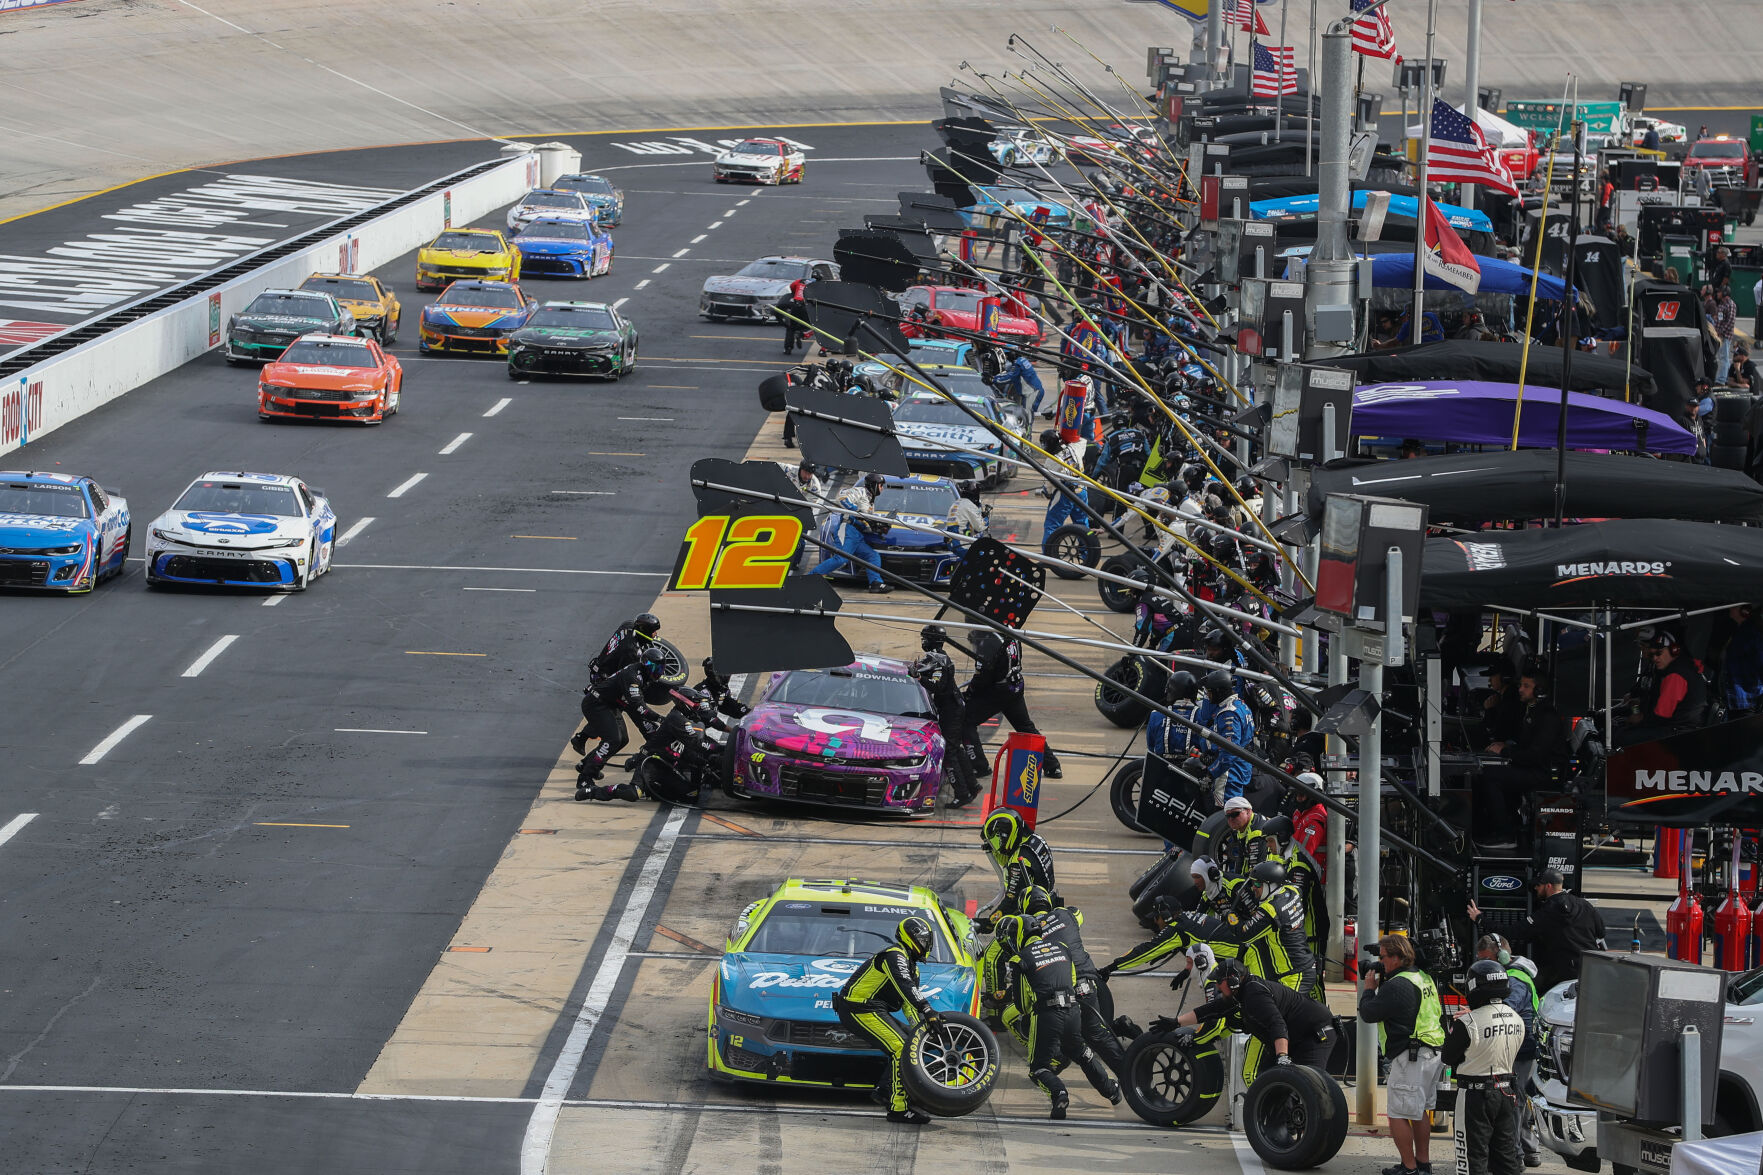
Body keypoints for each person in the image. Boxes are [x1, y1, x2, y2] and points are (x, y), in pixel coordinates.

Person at [993, 913, 1121, 1118]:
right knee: (1083, 1054)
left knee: (1038, 1068)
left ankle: (1059, 1094)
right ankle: (1112, 1091)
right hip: (1073, 1009)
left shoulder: (1020, 959)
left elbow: (1023, 1005)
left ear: (1019, 935)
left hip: (1046, 1015)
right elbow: (1071, 980)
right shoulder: (1062, 948)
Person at [832, 916, 940, 1124]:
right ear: (910, 938)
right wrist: (928, 1010)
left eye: (927, 940)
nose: (926, 944)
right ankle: (898, 1109)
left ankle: (884, 1090)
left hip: (872, 1008)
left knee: (911, 1041)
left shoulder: (912, 966)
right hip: (858, 1007)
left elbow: (908, 1003)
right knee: (901, 1048)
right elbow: (904, 985)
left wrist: (920, 1028)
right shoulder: (895, 955)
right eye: (922, 939)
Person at [1359, 934, 1446, 1175]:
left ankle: (1409, 1168)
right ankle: (1422, 1164)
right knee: (1419, 1113)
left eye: (1384, 957)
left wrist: (1369, 989)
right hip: (1432, 1053)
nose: (1381, 962)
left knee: (1397, 1114)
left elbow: (1368, 1013)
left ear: (1397, 958)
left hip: (1412, 1057)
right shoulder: (1424, 978)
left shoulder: (1397, 985)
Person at [1167, 956, 1335, 1078]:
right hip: (1295, 1038)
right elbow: (1211, 1010)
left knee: (1309, 1084)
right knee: (1266, 1080)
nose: (1217, 985)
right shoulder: (1239, 994)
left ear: (1233, 981)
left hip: (1316, 1035)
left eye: (1220, 981)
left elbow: (1277, 1024)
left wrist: (1282, 1057)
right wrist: (1176, 1022)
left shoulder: (1254, 994)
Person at [1022, 889, 1125, 1080]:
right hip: (1089, 983)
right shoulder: (1065, 914)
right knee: (1098, 1035)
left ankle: (1049, 1063)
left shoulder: (1027, 932)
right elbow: (1078, 916)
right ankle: (1132, 1078)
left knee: (1030, 1017)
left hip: (1062, 992)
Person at [1444, 959, 1528, 1175]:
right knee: (1506, 1156)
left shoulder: (1468, 1023)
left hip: (1475, 1095)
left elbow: (1447, 1056)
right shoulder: (1517, 1018)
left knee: (1472, 1158)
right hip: (1507, 1091)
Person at [1475, 669, 1570, 851]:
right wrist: (1505, 747)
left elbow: (1535, 755)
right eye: (1521, 685)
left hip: (1545, 774)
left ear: (1539, 690)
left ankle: (1505, 834)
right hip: (1535, 768)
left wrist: (1505, 752)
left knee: (1491, 777)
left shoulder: (1547, 716)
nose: (1520, 689)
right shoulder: (1531, 710)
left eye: (1526, 686)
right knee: (1487, 772)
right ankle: (1505, 824)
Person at [1472, 868, 1605, 994]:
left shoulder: (1549, 911)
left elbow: (1513, 932)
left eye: (1538, 885)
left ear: (1548, 886)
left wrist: (1480, 919)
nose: (1535, 888)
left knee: (1530, 990)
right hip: (1591, 969)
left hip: (1564, 974)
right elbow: (1601, 932)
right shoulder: (1584, 904)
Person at [1477, 934, 1544, 1167]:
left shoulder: (1516, 979)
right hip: (1522, 1046)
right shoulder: (1514, 974)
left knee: (1514, 1101)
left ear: (1502, 955)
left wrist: (1476, 1014)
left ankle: (1515, 1156)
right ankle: (1528, 1150)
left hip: (1520, 1048)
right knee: (1522, 1100)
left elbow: (1506, 1009)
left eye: (1488, 960)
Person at [963, 628, 1063, 778]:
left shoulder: (988, 640)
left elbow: (983, 676)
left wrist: (969, 693)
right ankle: (1053, 766)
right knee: (1026, 727)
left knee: (966, 720)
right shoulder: (1011, 633)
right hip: (1014, 687)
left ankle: (980, 767)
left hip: (998, 691)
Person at [573, 645, 669, 799]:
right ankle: (585, 777)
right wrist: (659, 718)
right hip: (596, 704)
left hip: (610, 705)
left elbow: (636, 709)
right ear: (645, 664)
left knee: (623, 739)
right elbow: (638, 708)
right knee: (613, 739)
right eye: (655, 668)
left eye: (661, 668)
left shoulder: (644, 677)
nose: (659, 672)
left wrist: (651, 730)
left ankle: (587, 763)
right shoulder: (633, 677)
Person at [911, 624, 983, 806]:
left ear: (931, 640)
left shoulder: (939, 659)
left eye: (924, 638)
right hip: (953, 706)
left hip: (951, 709)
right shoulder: (936, 657)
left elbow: (938, 686)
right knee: (956, 748)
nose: (923, 642)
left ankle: (962, 793)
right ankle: (972, 785)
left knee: (949, 751)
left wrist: (919, 678)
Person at [1140, 670, 1211, 847]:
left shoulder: (1157, 715)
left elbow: (1150, 747)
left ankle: (1170, 857)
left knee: (1168, 823)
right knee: (1192, 822)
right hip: (1193, 778)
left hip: (1165, 775)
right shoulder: (1202, 716)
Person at [807, 471, 894, 593]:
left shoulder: (870, 502)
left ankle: (875, 583)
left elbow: (865, 521)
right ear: (874, 485)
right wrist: (854, 510)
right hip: (847, 529)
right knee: (841, 559)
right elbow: (841, 497)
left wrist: (877, 527)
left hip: (857, 536)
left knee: (872, 556)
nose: (882, 489)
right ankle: (810, 577)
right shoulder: (860, 492)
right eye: (881, 486)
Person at [1618, 628, 1707, 745]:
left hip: (1679, 732)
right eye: (1651, 654)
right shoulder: (1678, 667)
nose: (1655, 658)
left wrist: (1639, 719)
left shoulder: (1675, 675)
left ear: (1673, 650)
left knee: (1621, 737)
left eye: (1659, 653)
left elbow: (1661, 716)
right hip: (1677, 727)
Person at [977, 808, 1058, 928]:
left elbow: (1011, 902)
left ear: (1005, 836)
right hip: (1047, 904)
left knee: (994, 947)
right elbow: (1006, 858)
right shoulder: (1032, 839)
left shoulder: (1019, 862)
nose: (995, 844)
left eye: (997, 839)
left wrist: (989, 923)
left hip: (1031, 920)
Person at [1195, 668, 1255, 804]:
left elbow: (1230, 752)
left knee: (1226, 811)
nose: (1208, 696)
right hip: (1239, 765)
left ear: (1219, 691)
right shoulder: (1240, 705)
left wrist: (1211, 774)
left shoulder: (1229, 713)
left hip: (1230, 771)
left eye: (1209, 692)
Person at [1191, 794, 1277, 877]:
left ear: (1248, 811)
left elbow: (1257, 869)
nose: (1231, 819)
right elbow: (1241, 859)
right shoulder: (1244, 827)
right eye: (1228, 816)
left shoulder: (1256, 833)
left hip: (1271, 875)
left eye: (1235, 814)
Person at [587, 612, 662, 684]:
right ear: (646, 632)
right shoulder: (632, 652)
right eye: (653, 631)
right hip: (603, 678)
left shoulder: (627, 625)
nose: (655, 633)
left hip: (600, 664)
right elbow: (628, 676)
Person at [990, 349, 1047, 414]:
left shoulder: (1018, 364)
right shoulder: (1022, 360)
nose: (1006, 357)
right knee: (1027, 415)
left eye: (1007, 355)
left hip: (1032, 394)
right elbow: (1009, 374)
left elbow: (1010, 378)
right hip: (1035, 392)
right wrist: (995, 377)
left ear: (1012, 354)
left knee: (1027, 416)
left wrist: (993, 380)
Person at [1711, 284, 1739, 385]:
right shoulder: (1722, 304)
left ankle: (1722, 379)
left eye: (1719, 292)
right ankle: (1723, 378)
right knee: (1722, 356)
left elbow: (1730, 322)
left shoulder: (1730, 305)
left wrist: (1720, 332)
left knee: (1724, 357)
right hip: (1719, 335)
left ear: (1724, 293)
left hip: (1725, 336)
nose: (1717, 293)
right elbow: (1720, 319)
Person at [780, 277, 808, 355]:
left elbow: (792, 286)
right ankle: (801, 332)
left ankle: (788, 348)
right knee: (810, 324)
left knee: (790, 327)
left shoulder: (801, 281)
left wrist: (796, 294)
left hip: (796, 305)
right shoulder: (818, 284)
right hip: (807, 307)